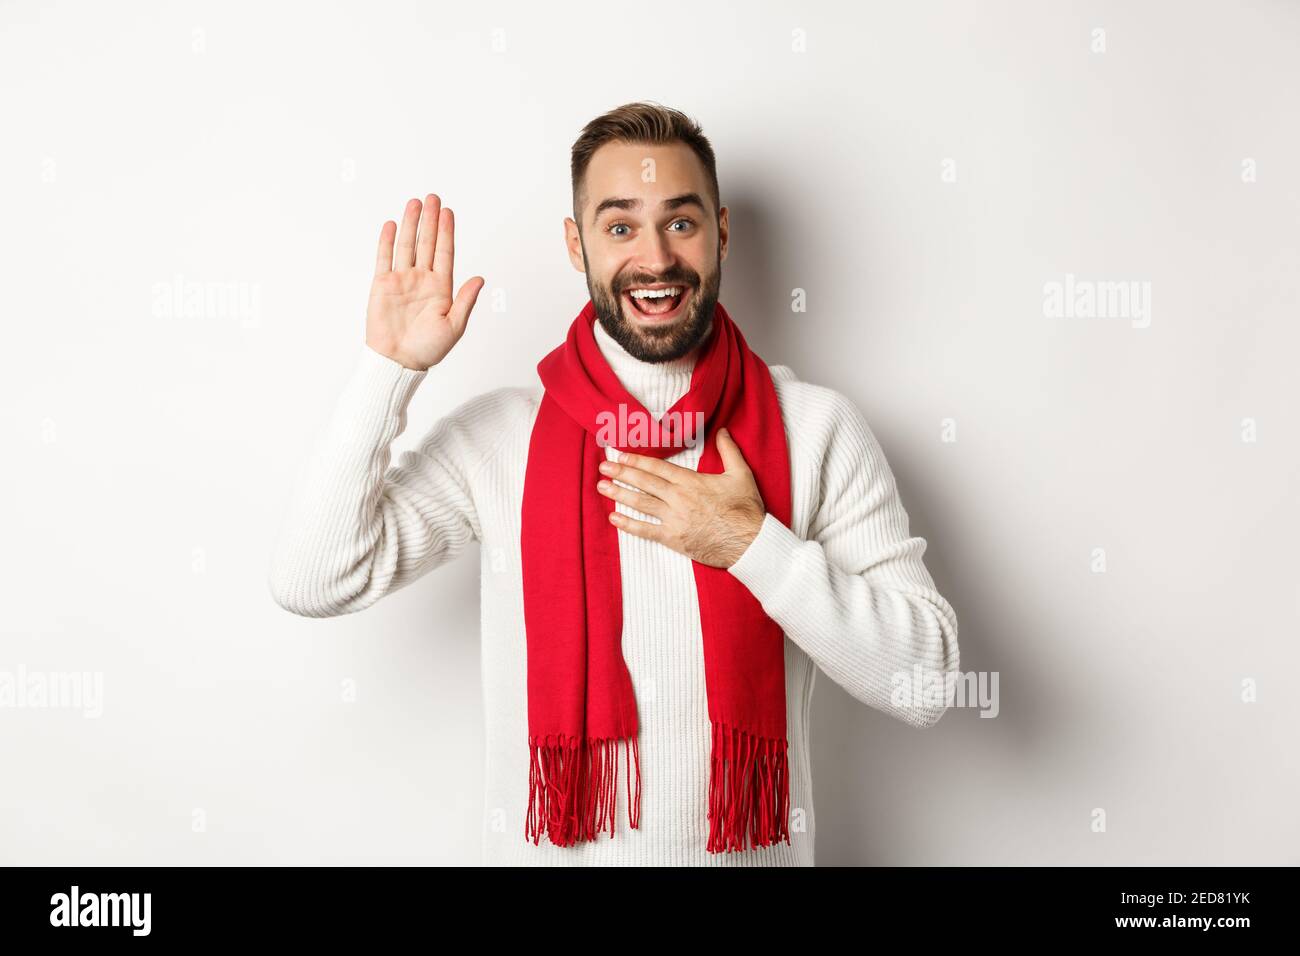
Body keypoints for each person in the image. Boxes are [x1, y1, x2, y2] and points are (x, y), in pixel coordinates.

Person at [268, 101, 960, 867]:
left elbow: (924, 684)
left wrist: (752, 544)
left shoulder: (815, 429)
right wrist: (388, 370)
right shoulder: (500, 437)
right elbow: (312, 578)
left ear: (722, 233)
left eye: (682, 223)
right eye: (620, 225)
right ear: (578, 244)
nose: (656, 259)